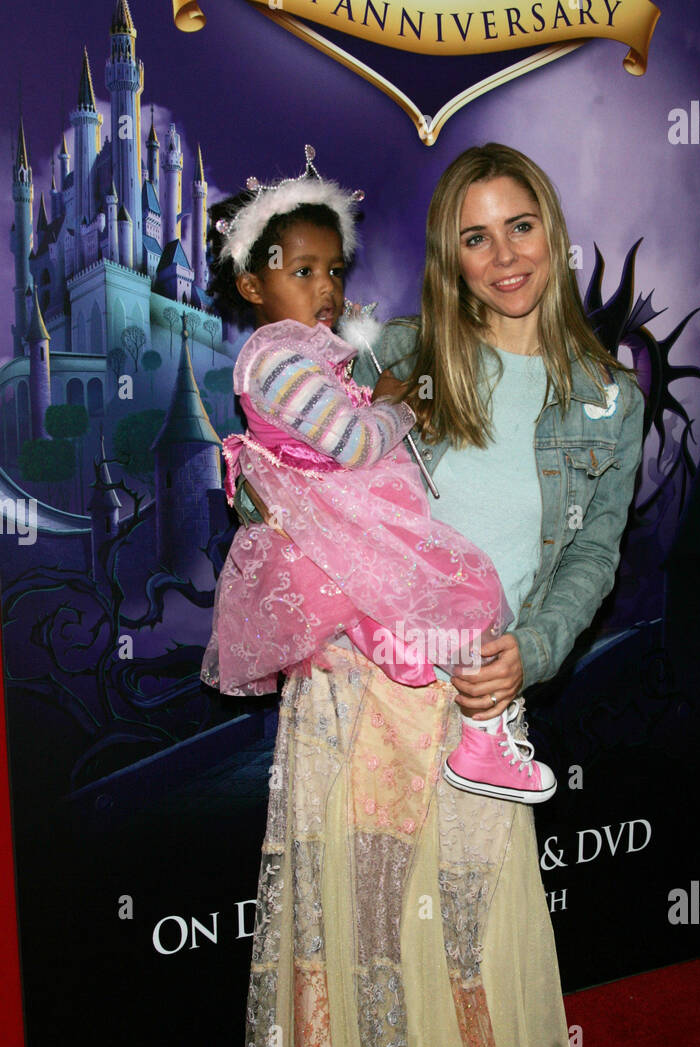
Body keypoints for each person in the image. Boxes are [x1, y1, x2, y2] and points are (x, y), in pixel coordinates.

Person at [227, 143, 644, 1047]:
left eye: (519, 227)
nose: (502, 255)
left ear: (551, 232)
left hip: (477, 688)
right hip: (360, 685)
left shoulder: (610, 400)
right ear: (448, 261)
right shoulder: (401, 360)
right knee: (363, 924)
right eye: (474, 235)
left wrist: (533, 651)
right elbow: (286, 442)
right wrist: (276, 523)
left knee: (466, 928)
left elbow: (589, 560)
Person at [202, 156, 554, 804]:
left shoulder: (302, 356)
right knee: (461, 590)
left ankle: (468, 741)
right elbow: (353, 443)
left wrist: (376, 400)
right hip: (340, 543)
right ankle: (470, 747)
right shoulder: (279, 359)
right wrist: (395, 406)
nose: (326, 287)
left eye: (334, 270)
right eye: (302, 271)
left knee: (435, 615)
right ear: (252, 286)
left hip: (347, 533)